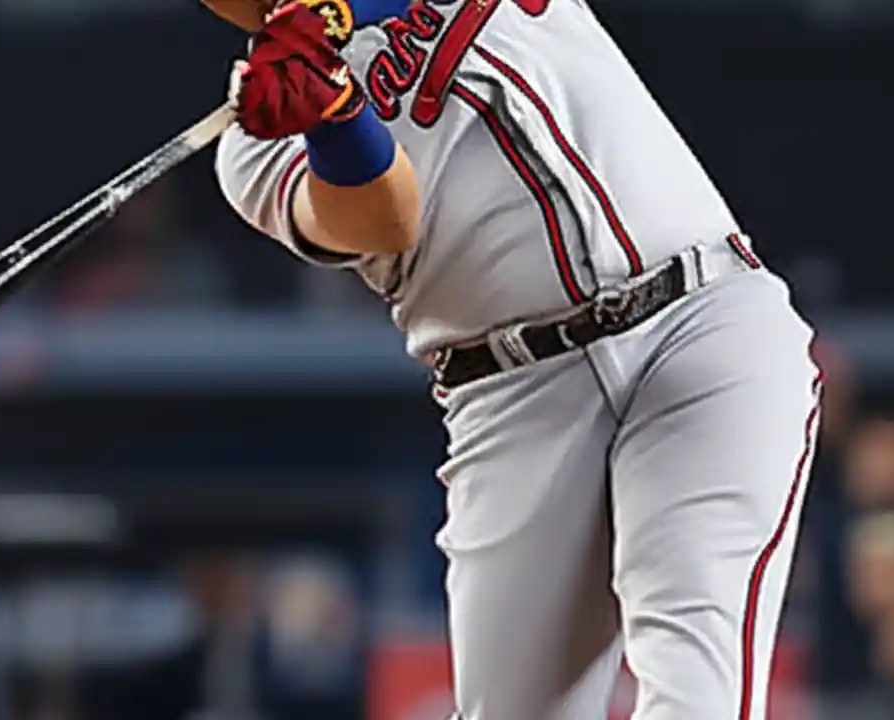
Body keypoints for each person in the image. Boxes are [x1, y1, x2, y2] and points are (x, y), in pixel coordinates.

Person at [202, 1, 822, 717]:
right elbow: (383, 217)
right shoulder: (253, 138)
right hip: (513, 397)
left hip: (698, 321)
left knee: (696, 695)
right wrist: (334, 114)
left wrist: (339, 14)